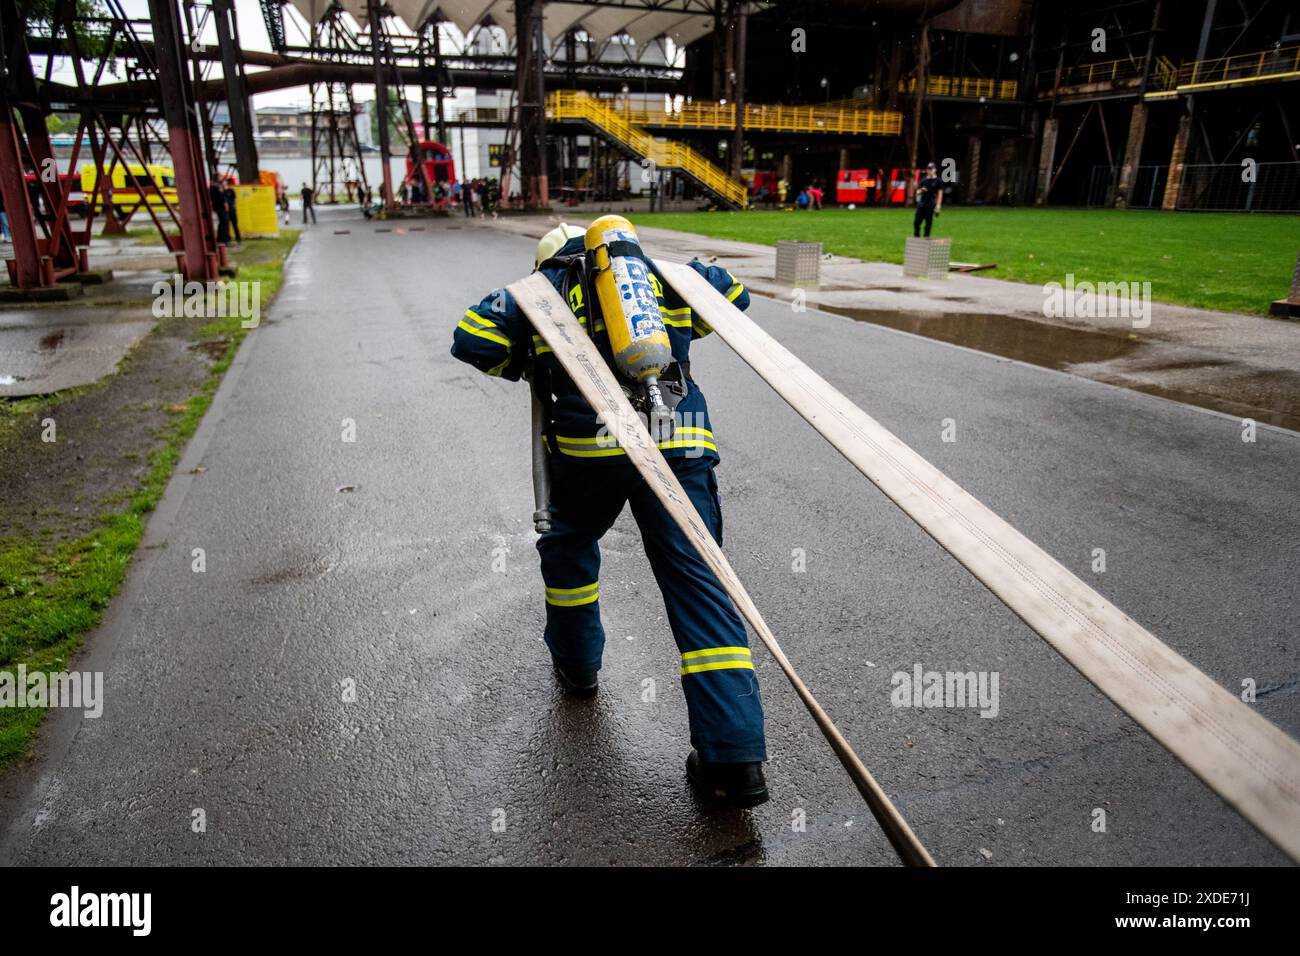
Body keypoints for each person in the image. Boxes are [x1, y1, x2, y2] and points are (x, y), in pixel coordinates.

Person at [449, 218, 770, 808]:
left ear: (550, 258)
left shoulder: (538, 291)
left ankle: (579, 668)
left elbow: (471, 340)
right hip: (680, 445)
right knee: (701, 589)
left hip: (589, 455)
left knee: (569, 553)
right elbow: (732, 296)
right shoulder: (655, 277)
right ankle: (734, 763)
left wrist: (530, 363)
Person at [914, 161, 943, 238]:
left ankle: (926, 238)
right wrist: (921, 190)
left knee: (928, 222)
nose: (930, 170)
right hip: (922, 203)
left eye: (931, 169)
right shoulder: (923, 180)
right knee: (917, 222)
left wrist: (938, 206)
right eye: (929, 169)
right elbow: (917, 192)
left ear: (935, 170)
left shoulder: (938, 181)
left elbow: (939, 194)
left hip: (930, 203)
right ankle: (916, 237)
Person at [209, 179, 229, 244]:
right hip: (220, 207)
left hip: (219, 207)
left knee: (223, 223)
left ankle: (222, 239)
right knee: (223, 222)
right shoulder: (215, 187)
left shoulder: (216, 187)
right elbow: (221, 197)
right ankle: (223, 239)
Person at [222, 178, 241, 244]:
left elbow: (234, 198)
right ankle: (228, 237)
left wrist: (233, 205)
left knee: (235, 223)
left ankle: (238, 237)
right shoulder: (222, 192)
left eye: (225, 182)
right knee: (226, 224)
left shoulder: (231, 190)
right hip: (226, 210)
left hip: (232, 209)